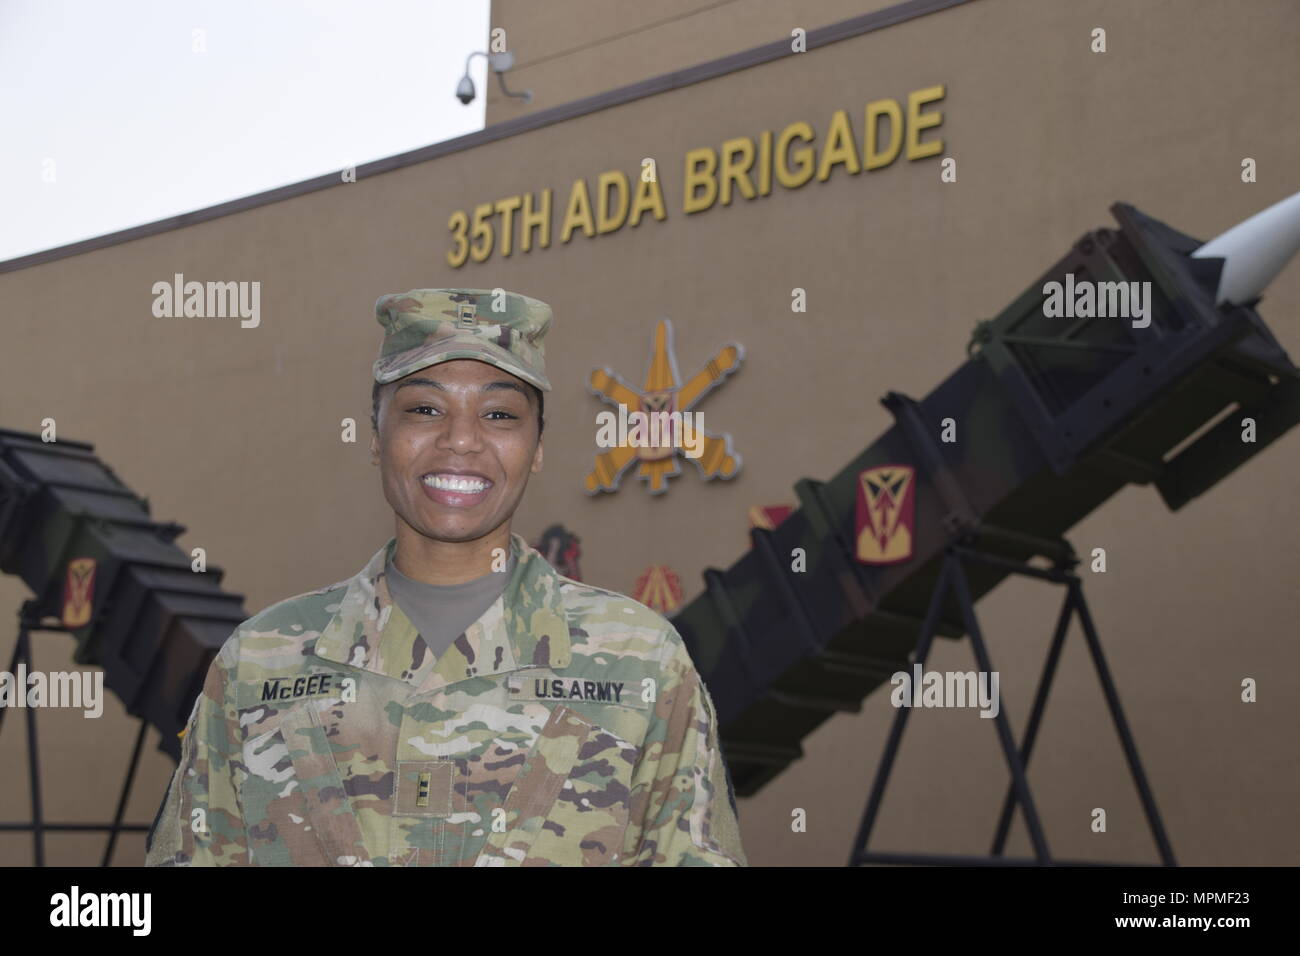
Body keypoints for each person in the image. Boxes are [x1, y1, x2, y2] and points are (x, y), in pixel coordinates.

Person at [144, 287, 748, 866]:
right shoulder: (260, 663)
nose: (461, 439)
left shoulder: (638, 661)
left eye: (500, 414)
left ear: (537, 447)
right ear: (376, 435)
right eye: (424, 409)